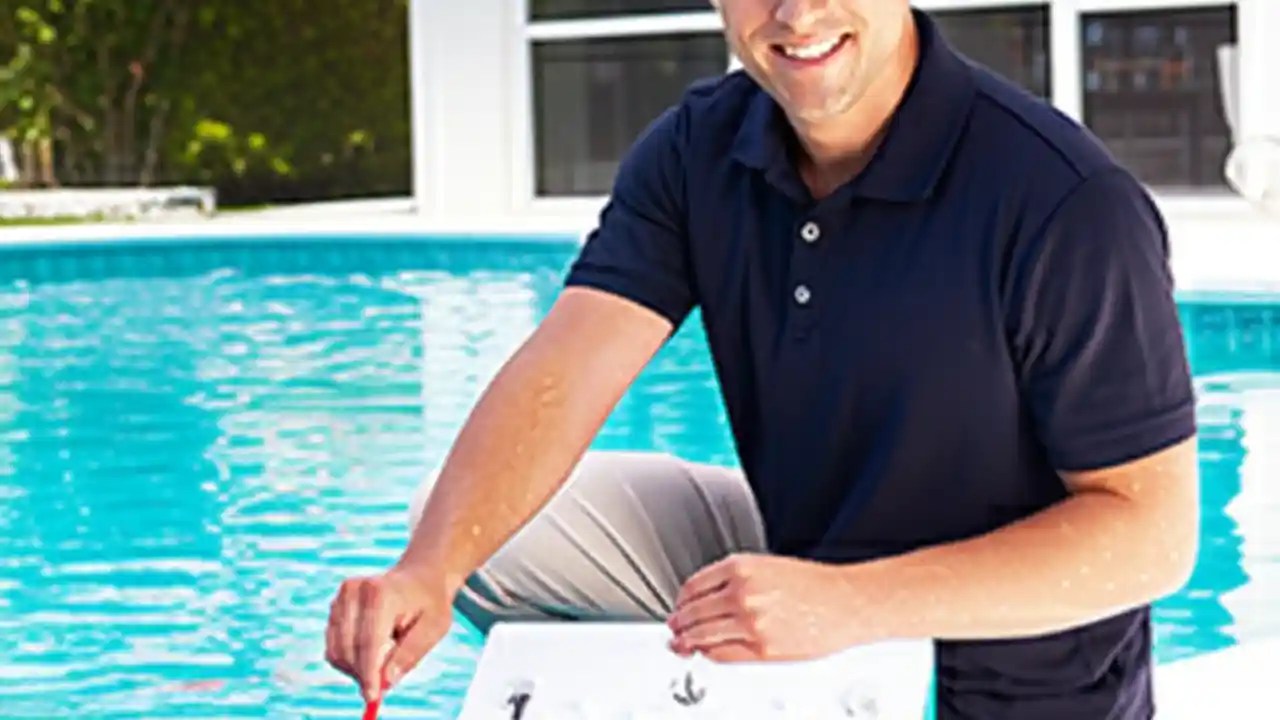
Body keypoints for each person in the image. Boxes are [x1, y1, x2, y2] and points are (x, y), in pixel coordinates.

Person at [324, 1, 1201, 718]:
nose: (795, 12)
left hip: (1006, 683)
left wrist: (852, 604)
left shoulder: (1065, 203)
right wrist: (427, 571)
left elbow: (1151, 536)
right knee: (475, 534)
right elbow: (568, 364)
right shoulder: (699, 149)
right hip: (805, 563)